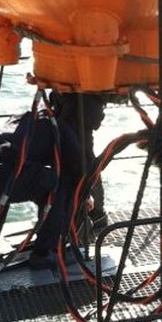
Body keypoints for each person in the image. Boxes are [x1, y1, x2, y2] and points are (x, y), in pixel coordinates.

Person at [0, 109, 83, 269]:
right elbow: (77, 173)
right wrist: (86, 197)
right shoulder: (64, 131)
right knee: (60, 185)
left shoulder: (25, 117)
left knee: (6, 175)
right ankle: (45, 253)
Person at [51, 91, 108, 230]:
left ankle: (92, 214)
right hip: (73, 101)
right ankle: (93, 214)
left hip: (80, 105)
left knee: (84, 160)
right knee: (82, 159)